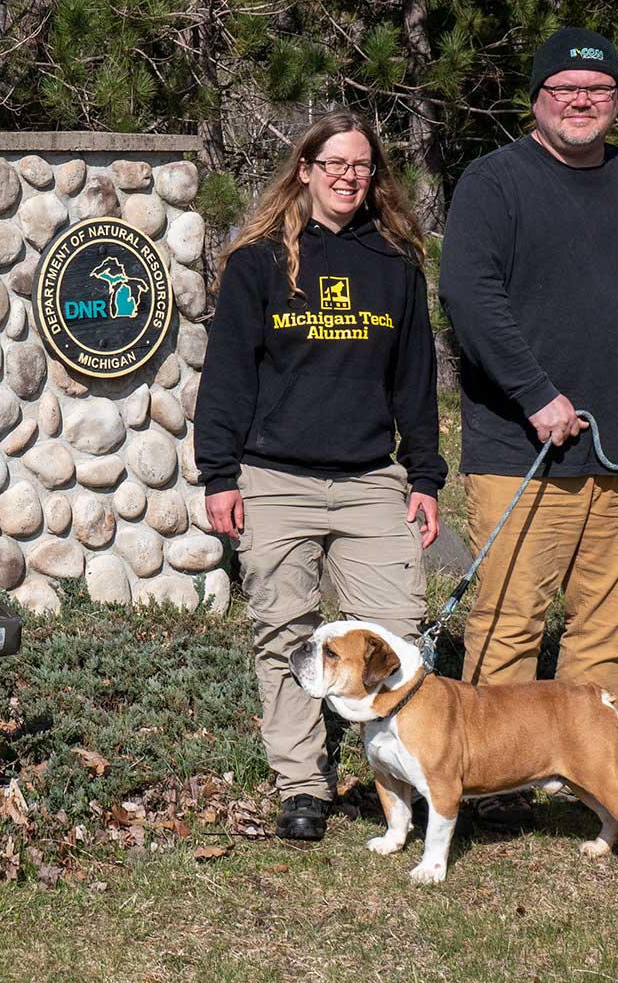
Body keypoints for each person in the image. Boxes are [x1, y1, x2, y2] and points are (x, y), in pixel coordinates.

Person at [438, 27, 618, 827]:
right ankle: (490, 781)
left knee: (610, 629)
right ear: (538, 100)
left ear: (615, 102)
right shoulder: (495, 183)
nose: (582, 103)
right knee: (508, 626)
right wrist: (535, 393)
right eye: (565, 90)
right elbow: (470, 295)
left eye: (598, 92)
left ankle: (585, 773)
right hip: (523, 450)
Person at [195, 111, 446, 842]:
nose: (348, 177)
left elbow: (416, 382)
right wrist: (220, 475)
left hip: (372, 478)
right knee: (285, 631)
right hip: (276, 479)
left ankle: (406, 775)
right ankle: (303, 785)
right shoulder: (259, 261)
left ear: (374, 179)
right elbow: (227, 381)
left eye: (361, 167)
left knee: (397, 636)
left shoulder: (396, 263)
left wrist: (424, 476)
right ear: (303, 169)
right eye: (333, 163)